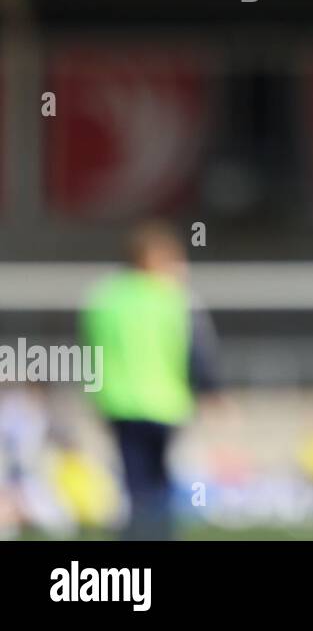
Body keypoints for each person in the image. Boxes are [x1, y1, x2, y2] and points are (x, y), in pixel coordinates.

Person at [80, 220, 220, 539]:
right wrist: (210, 389)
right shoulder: (172, 297)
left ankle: (137, 534)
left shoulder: (104, 297)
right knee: (160, 479)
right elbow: (197, 348)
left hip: (118, 402)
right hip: (164, 402)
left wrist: (95, 396)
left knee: (136, 479)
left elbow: (90, 352)